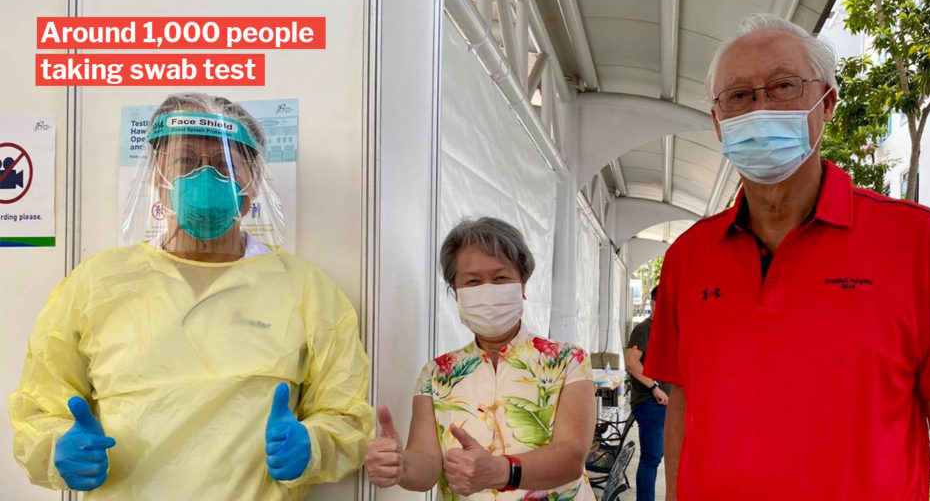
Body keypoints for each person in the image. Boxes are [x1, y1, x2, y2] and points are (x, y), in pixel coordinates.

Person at [643, 14, 930, 500]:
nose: (760, 107)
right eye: (739, 96)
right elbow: (683, 405)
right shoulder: (688, 257)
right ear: (717, 121)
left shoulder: (919, 241)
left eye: (782, 86)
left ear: (827, 102)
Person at [8, 93, 374, 500]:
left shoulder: (307, 291)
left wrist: (315, 445)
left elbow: (348, 416)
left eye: (224, 165)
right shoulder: (96, 285)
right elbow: (39, 407)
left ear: (252, 184)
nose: (206, 177)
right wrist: (58, 447)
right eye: (185, 163)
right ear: (157, 182)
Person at [364, 216, 597, 500]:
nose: (487, 290)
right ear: (456, 292)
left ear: (522, 284)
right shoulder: (436, 374)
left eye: (500, 278)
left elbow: (571, 457)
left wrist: (502, 471)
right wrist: (400, 467)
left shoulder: (568, 360)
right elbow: (426, 466)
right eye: (473, 282)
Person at [624, 286, 668, 501]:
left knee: (659, 456)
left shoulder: (666, 329)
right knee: (651, 457)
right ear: (652, 302)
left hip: (666, 402)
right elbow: (632, 364)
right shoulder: (644, 329)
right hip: (650, 402)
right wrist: (654, 388)